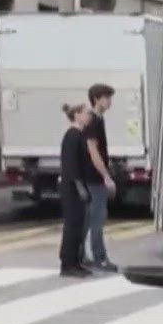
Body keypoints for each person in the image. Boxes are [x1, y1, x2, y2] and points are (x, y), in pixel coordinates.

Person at [57, 103, 95, 279]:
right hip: (72, 187)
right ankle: (67, 264)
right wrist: (80, 187)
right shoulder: (72, 136)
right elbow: (71, 164)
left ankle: (75, 262)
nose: (90, 116)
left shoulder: (80, 134)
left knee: (78, 225)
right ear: (77, 115)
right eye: (87, 113)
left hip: (77, 185)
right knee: (72, 226)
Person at [82, 82, 117, 273]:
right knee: (97, 218)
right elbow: (93, 150)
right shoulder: (94, 120)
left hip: (92, 176)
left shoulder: (96, 119)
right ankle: (99, 257)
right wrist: (105, 176)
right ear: (97, 99)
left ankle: (82, 255)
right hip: (94, 177)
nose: (110, 101)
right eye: (107, 97)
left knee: (89, 218)